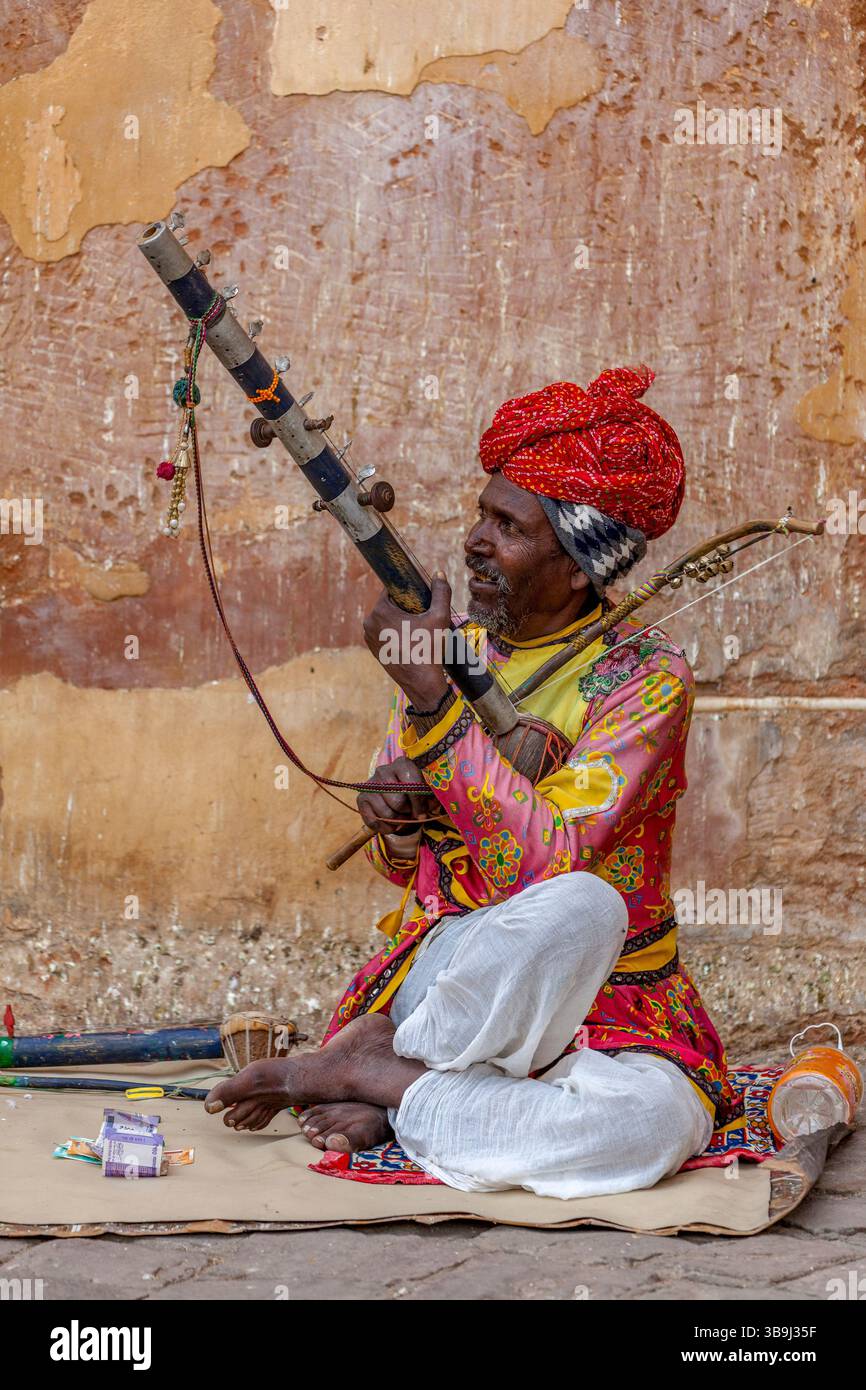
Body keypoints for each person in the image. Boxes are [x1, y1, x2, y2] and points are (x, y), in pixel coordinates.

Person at [206, 366, 740, 1198]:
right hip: (459, 982)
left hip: (608, 990)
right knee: (578, 906)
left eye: (509, 527)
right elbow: (412, 876)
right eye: (481, 515)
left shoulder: (647, 678)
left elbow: (549, 870)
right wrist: (404, 823)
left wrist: (432, 702)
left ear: (576, 567)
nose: (475, 542)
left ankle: (395, 1086)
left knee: (650, 1112)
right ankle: (411, 1066)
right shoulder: (454, 649)